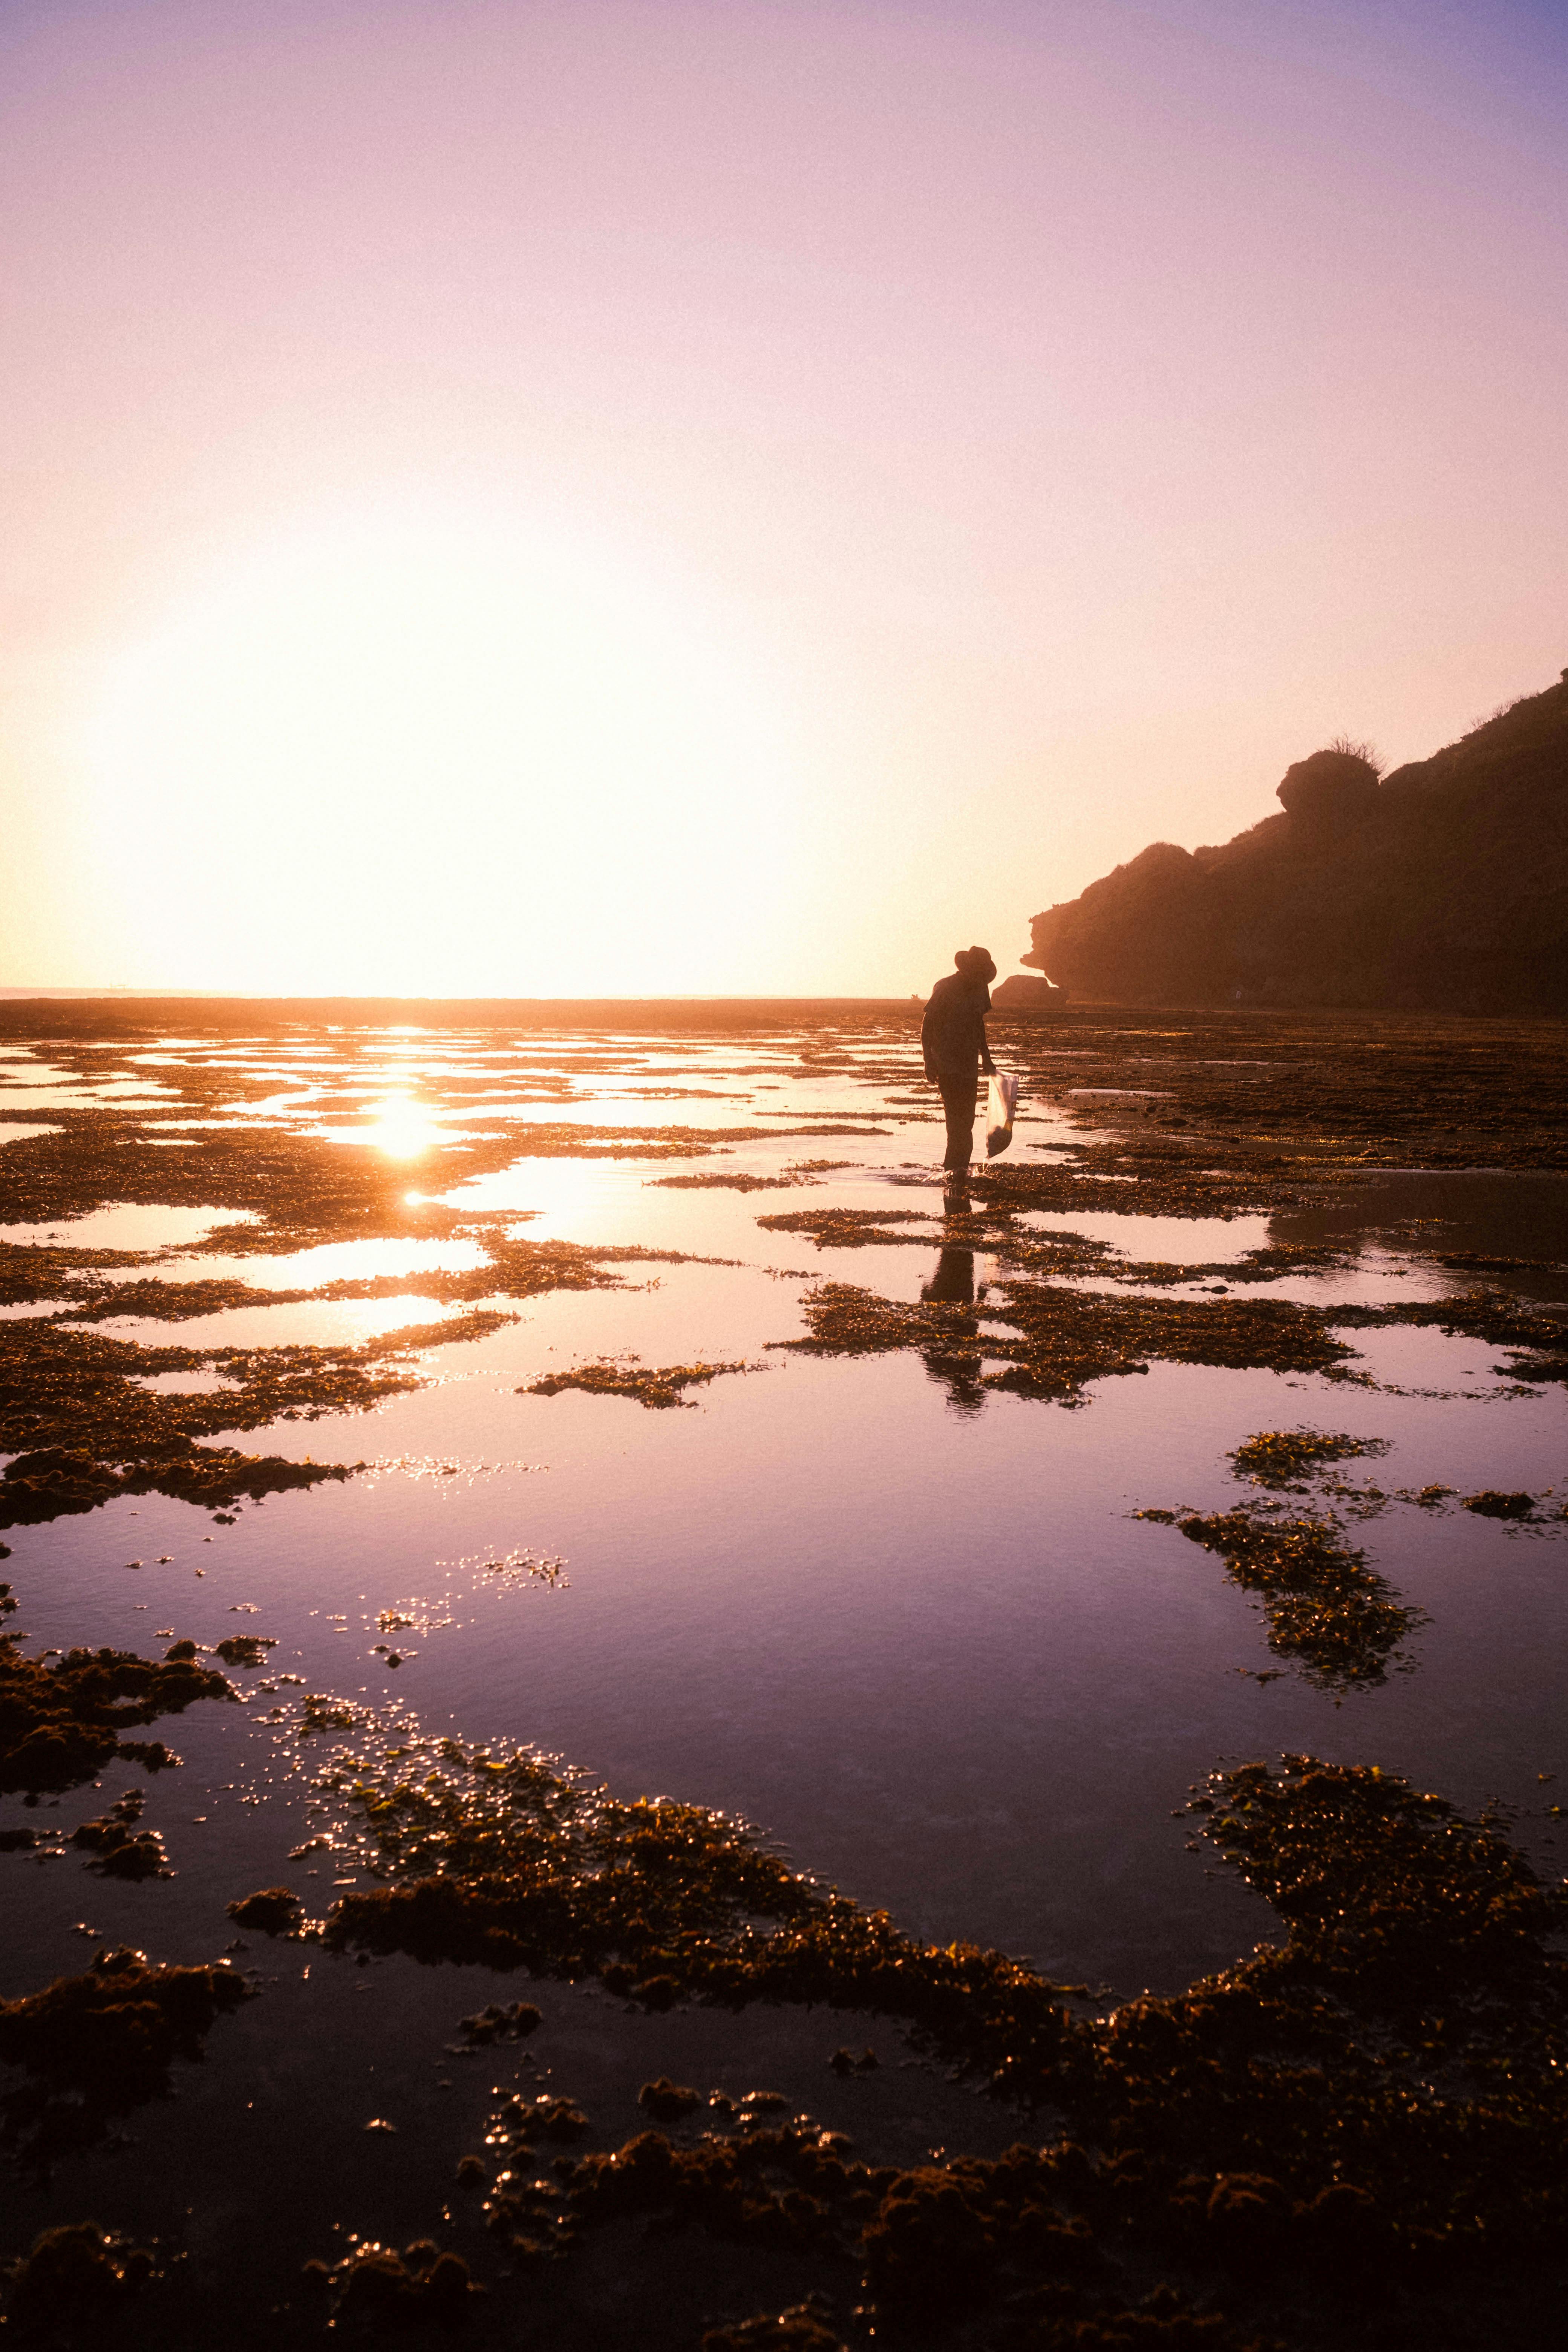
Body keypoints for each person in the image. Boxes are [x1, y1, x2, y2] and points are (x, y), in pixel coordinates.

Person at [921, 945, 996, 1186]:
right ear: (966, 969)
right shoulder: (945, 987)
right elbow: (927, 1024)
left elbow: (978, 1025)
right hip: (946, 1061)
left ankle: (959, 1171)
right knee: (956, 1122)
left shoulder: (980, 988)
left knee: (968, 1121)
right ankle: (952, 1173)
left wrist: (986, 1057)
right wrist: (928, 1060)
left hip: (968, 1062)